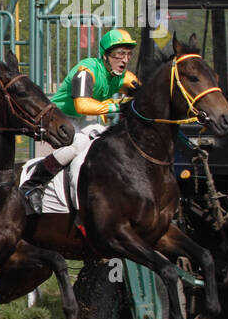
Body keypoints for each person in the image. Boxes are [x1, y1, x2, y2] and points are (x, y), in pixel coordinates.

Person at [22, 27, 140, 212]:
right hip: (57, 118)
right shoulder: (87, 69)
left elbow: (144, 94)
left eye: (128, 54)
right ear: (105, 55)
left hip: (82, 119)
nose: (124, 60)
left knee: (110, 141)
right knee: (80, 143)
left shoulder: (124, 77)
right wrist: (118, 105)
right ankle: (33, 185)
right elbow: (82, 105)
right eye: (119, 54)